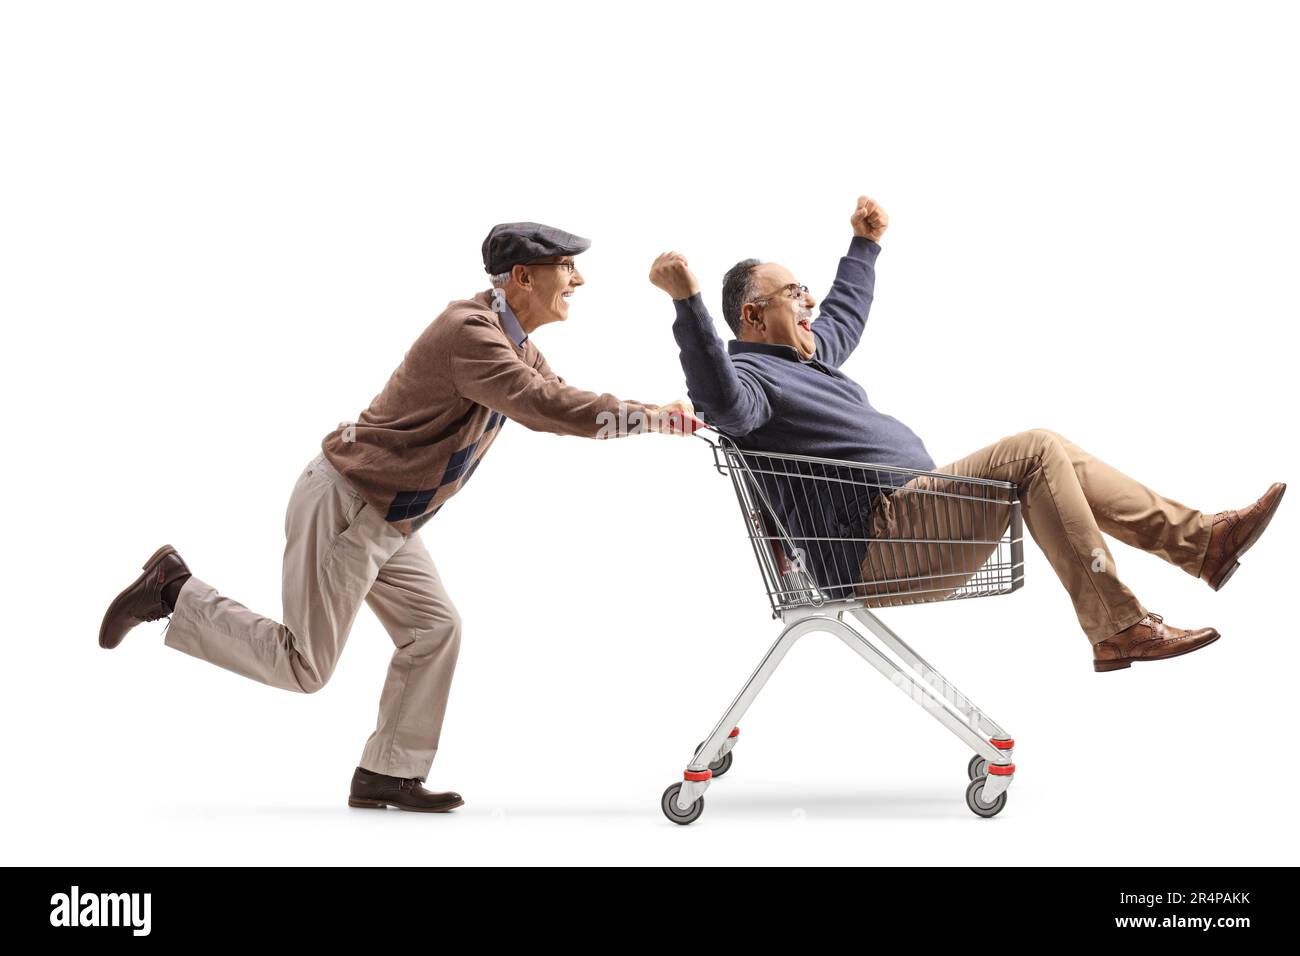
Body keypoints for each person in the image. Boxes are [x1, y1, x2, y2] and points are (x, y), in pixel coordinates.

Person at [99, 222, 693, 810]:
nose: (578, 279)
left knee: (434, 628)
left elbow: (559, 394)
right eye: (567, 268)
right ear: (522, 278)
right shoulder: (472, 332)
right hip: (350, 506)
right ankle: (175, 591)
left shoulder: (512, 341)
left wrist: (651, 412)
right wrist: (655, 421)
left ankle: (388, 774)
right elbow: (543, 406)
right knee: (302, 666)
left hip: (387, 516)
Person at [650, 196, 1285, 672]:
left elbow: (843, 312)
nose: (810, 303)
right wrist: (688, 304)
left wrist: (863, 244)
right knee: (1035, 447)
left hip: (915, 520)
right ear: (753, 316)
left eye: (806, 290)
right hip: (882, 541)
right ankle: (1122, 621)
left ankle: (1202, 543)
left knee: (1050, 452)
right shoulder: (750, 376)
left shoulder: (806, 358)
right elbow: (722, 403)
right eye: (795, 294)